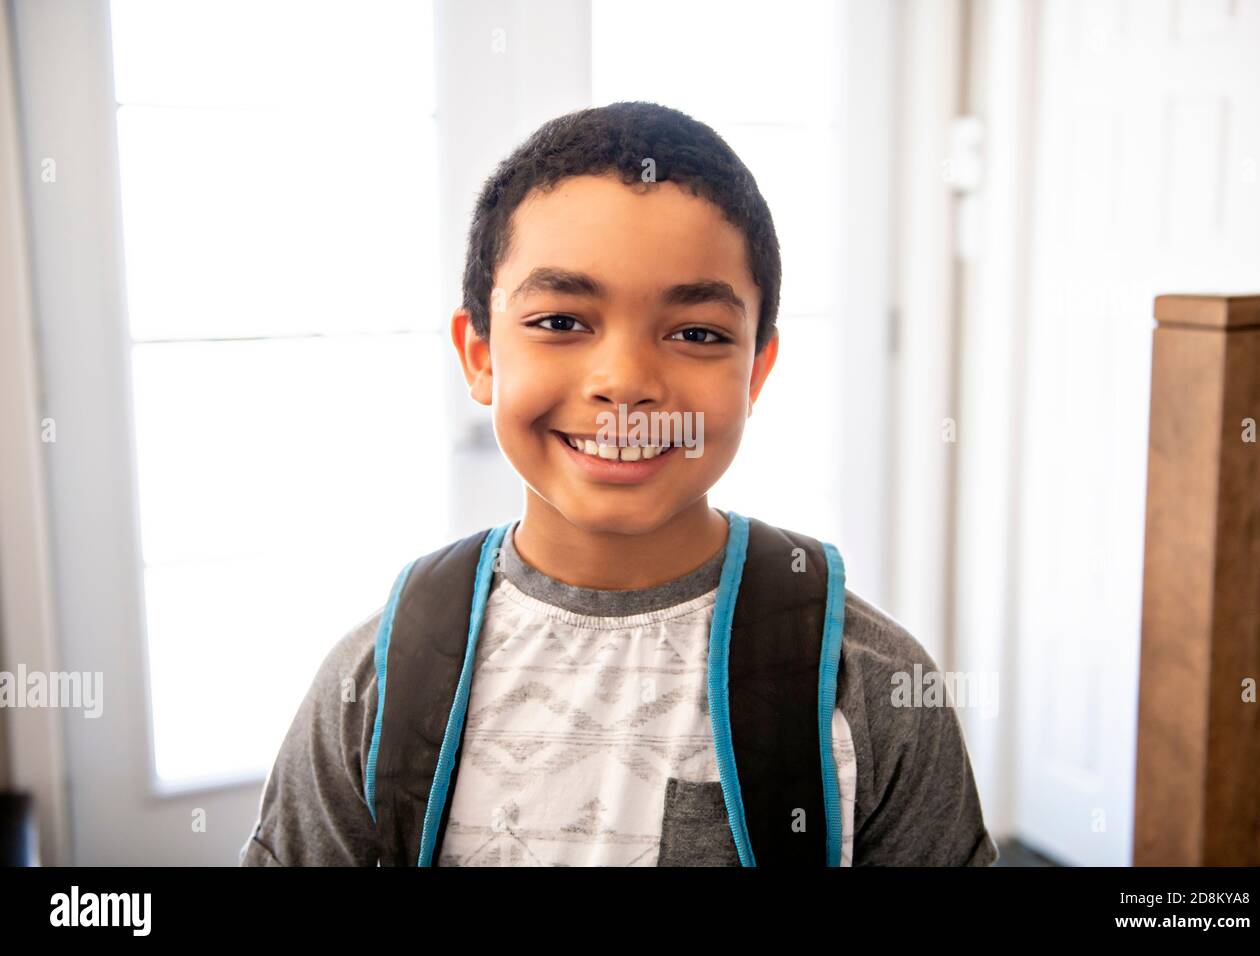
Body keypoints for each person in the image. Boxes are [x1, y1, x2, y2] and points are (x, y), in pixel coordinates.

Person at [238, 101, 998, 867]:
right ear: (480, 356)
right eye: (562, 321)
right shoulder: (372, 686)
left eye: (697, 333)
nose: (626, 383)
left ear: (755, 373)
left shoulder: (864, 683)